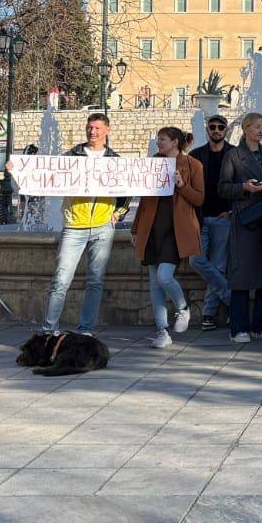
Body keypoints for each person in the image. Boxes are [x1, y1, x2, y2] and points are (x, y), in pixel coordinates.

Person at [40, 112, 130, 339]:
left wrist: (120, 212)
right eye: (90, 127)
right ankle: (48, 330)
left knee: (95, 281)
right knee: (60, 280)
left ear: (107, 130)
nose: (93, 132)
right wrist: (18, 169)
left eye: (98, 128)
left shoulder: (115, 160)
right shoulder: (71, 156)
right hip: (74, 224)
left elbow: (127, 191)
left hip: (103, 226)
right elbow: (46, 173)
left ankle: (86, 329)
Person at [130, 126, 205, 348]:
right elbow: (144, 199)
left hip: (175, 230)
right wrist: (135, 229)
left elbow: (199, 199)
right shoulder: (153, 163)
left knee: (164, 277)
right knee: (155, 283)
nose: (158, 143)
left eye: (162, 139)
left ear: (175, 142)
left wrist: (182, 186)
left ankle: (182, 307)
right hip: (152, 228)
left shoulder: (193, 165)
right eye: (158, 139)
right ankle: (162, 331)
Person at [219, 112, 262, 342]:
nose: (261, 130)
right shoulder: (233, 155)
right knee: (241, 276)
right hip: (245, 220)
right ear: (245, 128)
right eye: (256, 126)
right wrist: (244, 188)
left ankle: (261, 325)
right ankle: (239, 327)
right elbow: (222, 187)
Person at [190, 114, 235, 329]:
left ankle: (208, 314)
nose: (216, 130)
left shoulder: (235, 154)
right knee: (195, 260)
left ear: (226, 130)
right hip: (200, 218)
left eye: (220, 127)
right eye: (212, 127)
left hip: (223, 218)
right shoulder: (196, 155)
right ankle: (232, 299)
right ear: (207, 130)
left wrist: (232, 211)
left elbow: (241, 184)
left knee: (218, 266)